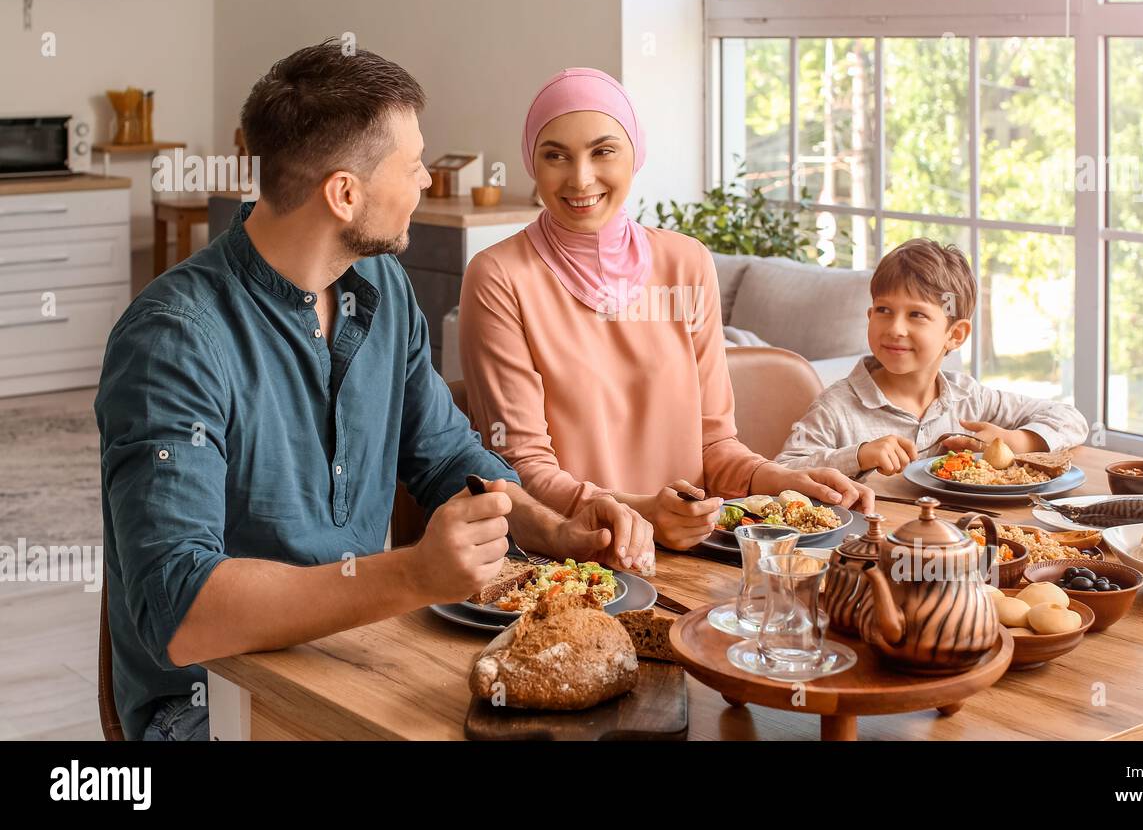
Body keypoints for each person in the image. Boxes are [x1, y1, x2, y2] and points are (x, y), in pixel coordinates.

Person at [95, 43, 647, 740]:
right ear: (344, 194)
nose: (423, 180)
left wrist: (557, 529)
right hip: (212, 704)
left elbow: (449, 461)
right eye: (412, 164)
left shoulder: (381, 289)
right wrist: (413, 576)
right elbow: (180, 613)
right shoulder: (172, 340)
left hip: (360, 658)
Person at [458, 67, 872, 557]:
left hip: (691, 554)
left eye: (603, 151)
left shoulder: (686, 261)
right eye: (556, 156)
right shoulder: (499, 276)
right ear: (532, 162)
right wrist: (635, 512)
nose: (580, 177)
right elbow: (521, 464)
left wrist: (778, 479)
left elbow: (714, 444)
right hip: (568, 564)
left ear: (636, 153)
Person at [775, 238, 1089, 478]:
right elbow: (784, 471)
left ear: (955, 334)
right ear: (870, 315)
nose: (896, 328)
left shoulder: (969, 399)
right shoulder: (837, 407)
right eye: (884, 311)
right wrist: (857, 455)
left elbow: (1071, 419)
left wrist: (1017, 442)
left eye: (916, 315)